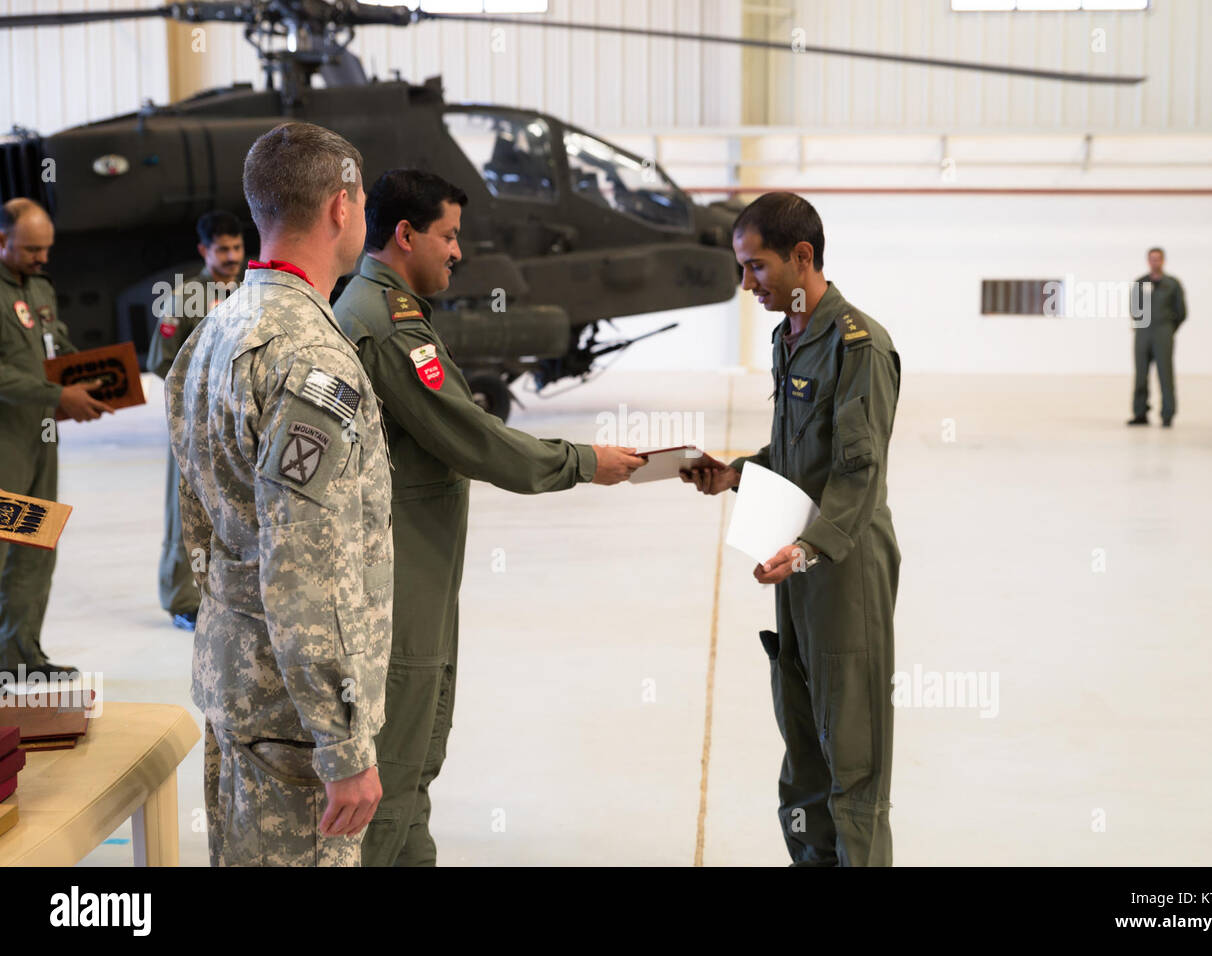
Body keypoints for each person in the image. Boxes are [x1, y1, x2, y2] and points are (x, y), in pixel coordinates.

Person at [332, 168, 645, 867]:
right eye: (448, 236)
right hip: (399, 586)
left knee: (413, 775)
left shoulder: (383, 312)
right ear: (405, 235)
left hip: (423, 577)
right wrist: (583, 461)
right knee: (393, 779)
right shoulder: (385, 325)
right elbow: (471, 438)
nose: (457, 252)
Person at [165, 123, 392, 867]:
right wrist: (343, 740)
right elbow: (305, 566)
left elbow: (196, 520)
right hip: (296, 719)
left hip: (239, 683)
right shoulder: (312, 357)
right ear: (340, 208)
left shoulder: (214, 332)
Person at [683, 192, 901, 866]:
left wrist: (808, 550)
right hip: (797, 555)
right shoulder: (791, 337)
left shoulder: (857, 345)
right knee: (803, 736)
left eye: (756, 268)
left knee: (853, 758)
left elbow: (856, 474)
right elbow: (797, 452)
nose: (747, 283)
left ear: (802, 257)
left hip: (842, 562)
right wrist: (737, 473)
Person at [0, 198, 112, 680]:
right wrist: (57, 393)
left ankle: (21, 657)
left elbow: (57, 346)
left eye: (46, 248)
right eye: (30, 249)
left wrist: (96, 377)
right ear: (1, 240)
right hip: (4, 445)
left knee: (34, 549)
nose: (42, 258)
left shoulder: (40, 289)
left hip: (40, 440)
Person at [146, 210, 245, 631]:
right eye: (222, 248)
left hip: (239, 422)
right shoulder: (184, 297)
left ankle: (226, 593)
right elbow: (160, 362)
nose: (232, 256)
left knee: (235, 509)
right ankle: (182, 599)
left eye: (237, 247)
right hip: (194, 424)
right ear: (204, 250)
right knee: (184, 510)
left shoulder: (250, 293)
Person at [1128, 247, 1187, 427]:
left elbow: (1181, 312)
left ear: (1163, 261)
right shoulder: (1140, 283)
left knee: (1165, 374)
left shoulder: (1173, 284)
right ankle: (1140, 413)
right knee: (1140, 375)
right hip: (1143, 333)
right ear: (1148, 261)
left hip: (1163, 332)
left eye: (1158, 259)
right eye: (1152, 259)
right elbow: (1134, 309)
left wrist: (1169, 328)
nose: (1155, 262)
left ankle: (1167, 414)